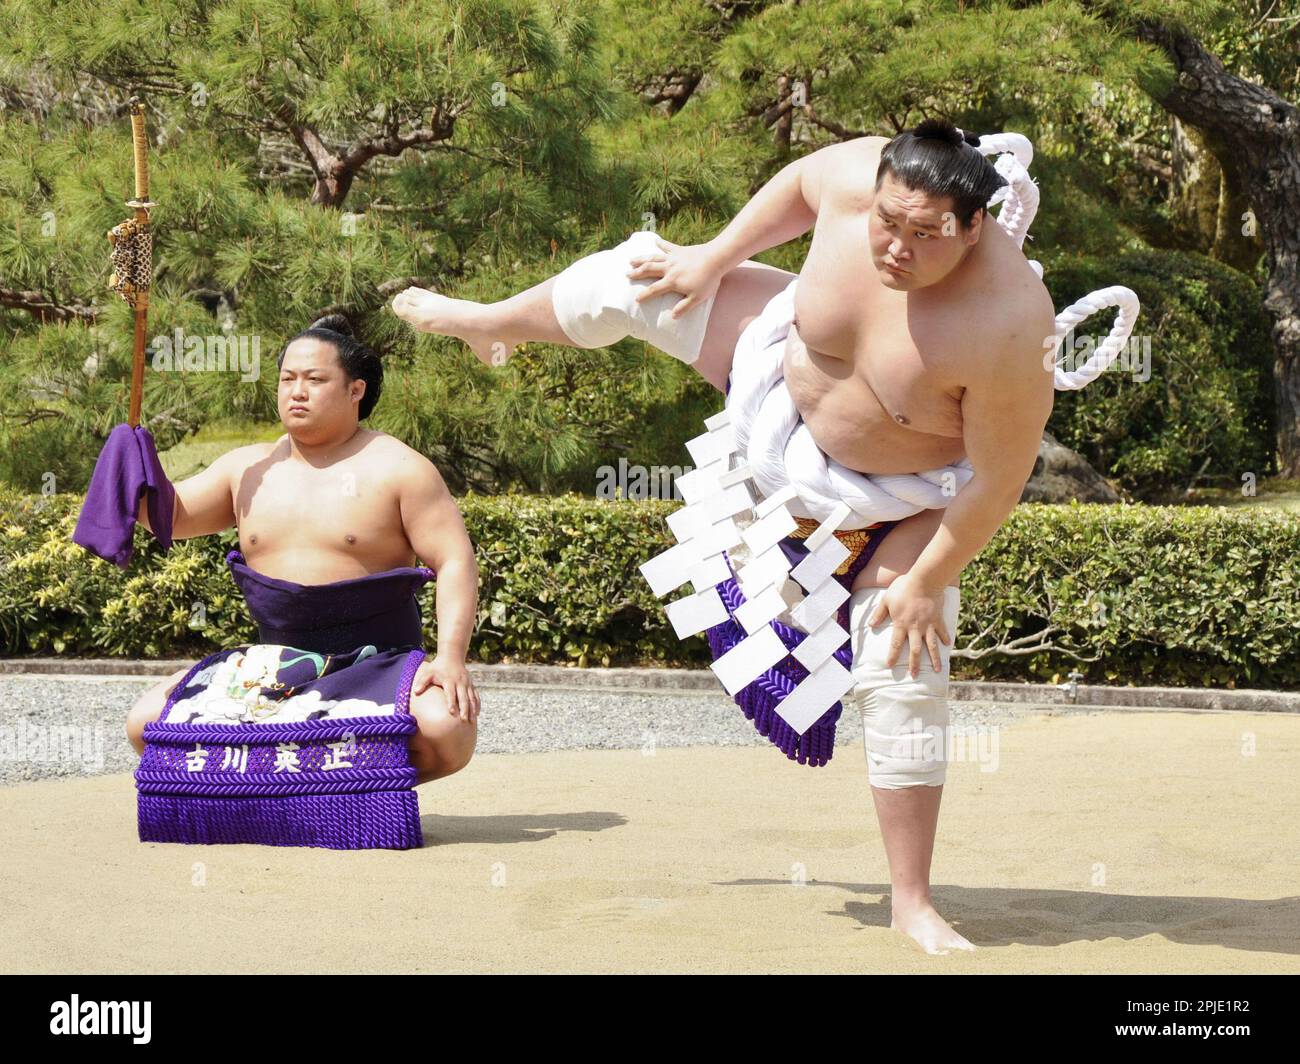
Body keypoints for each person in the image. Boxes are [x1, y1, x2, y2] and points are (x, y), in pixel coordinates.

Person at [391, 118, 1058, 954]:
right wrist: (708, 255)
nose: (896, 247)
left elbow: (998, 482)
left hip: (899, 498)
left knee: (903, 666)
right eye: (888, 222)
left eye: (926, 236)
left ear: (976, 226)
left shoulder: (1008, 324)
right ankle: (492, 320)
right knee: (634, 278)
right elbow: (798, 185)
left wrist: (924, 580)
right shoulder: (857, 178)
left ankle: (912, 900)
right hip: (773, 381)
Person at [115, 315, 481, 787]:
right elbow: (165, 515)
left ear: (356, 391)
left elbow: (454, 560)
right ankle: (287, 791)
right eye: (287, 379)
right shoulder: (247, 468)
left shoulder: (400, 468)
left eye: (314, 379)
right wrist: (131, 454)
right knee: (147, 727)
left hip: (375, 661)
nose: (297, 392)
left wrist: (450, 657)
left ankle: (358, 786)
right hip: (272, 666)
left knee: (445, 729)